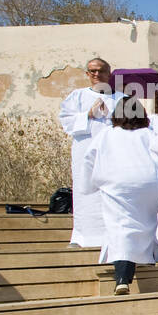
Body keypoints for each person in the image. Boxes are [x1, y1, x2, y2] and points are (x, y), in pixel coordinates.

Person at [79, 94, 158, 294]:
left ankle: (122, 277)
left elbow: (88, 159)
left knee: (120, 227)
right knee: (145, 223)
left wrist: (88, 186)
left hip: (117, 185)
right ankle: (149, 256)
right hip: (149, 184)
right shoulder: (149, 134)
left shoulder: (107, 134)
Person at [58, 57, 123, 246]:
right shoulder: (77, 96)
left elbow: (132, 126)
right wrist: (88, 114)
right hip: (85, 154)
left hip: (114, 157)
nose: (96, 74)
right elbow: (66, 122)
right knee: (85, 193)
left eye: (101, 70)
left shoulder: (120, 98)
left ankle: (113, 237)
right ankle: (83, 236)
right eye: (92, 71)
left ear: (109, 73)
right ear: (87, 74)